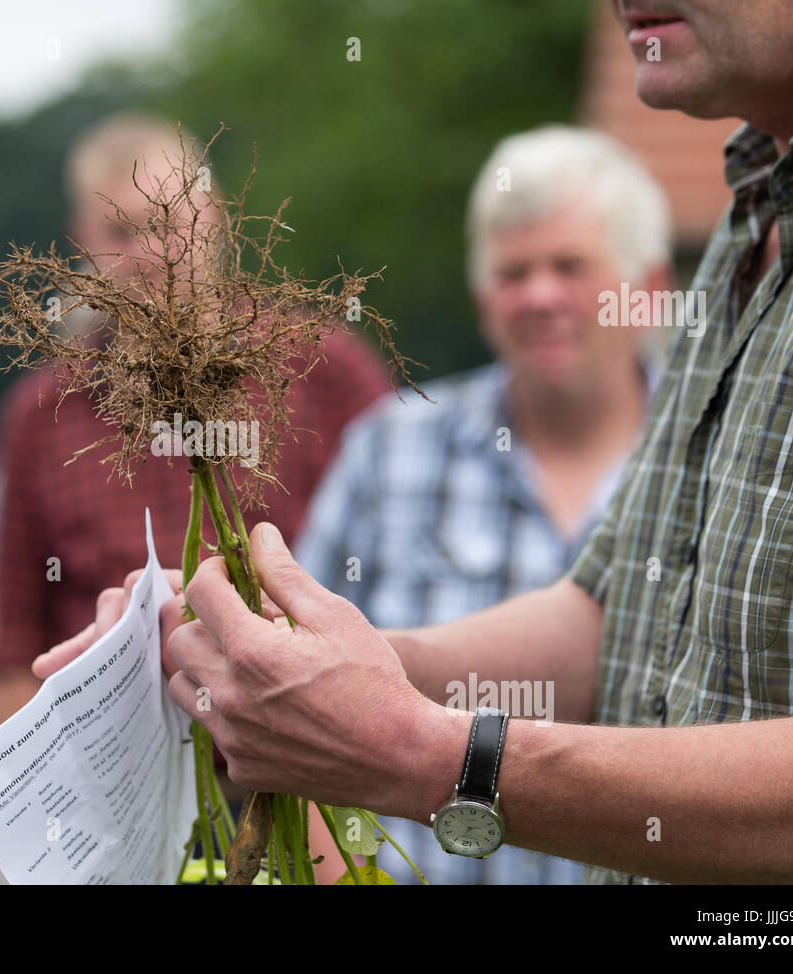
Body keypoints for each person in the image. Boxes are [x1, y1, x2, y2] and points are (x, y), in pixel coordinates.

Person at [37, 0, 793, 884]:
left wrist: (431, 755)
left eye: (572, 267)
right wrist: (291, 675)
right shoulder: (758, 224)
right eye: (512, 271)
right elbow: (617, 616)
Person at [294, 125, 670, 884]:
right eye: (513, 271)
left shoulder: (712, 458)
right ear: (481, 295)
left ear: (648, 289)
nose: (538, 295)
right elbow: (300, 695)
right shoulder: (390, 448)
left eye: (570, 266)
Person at [0, 112, 393, 731]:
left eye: (168, 224)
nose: (148, 255)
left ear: (215, 216)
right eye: (118, 230)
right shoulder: (41, 414)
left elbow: (404, 578)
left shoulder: (323, 368)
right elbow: (12, 642)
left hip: (314, 758)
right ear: (80, 240)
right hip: (125, 775)